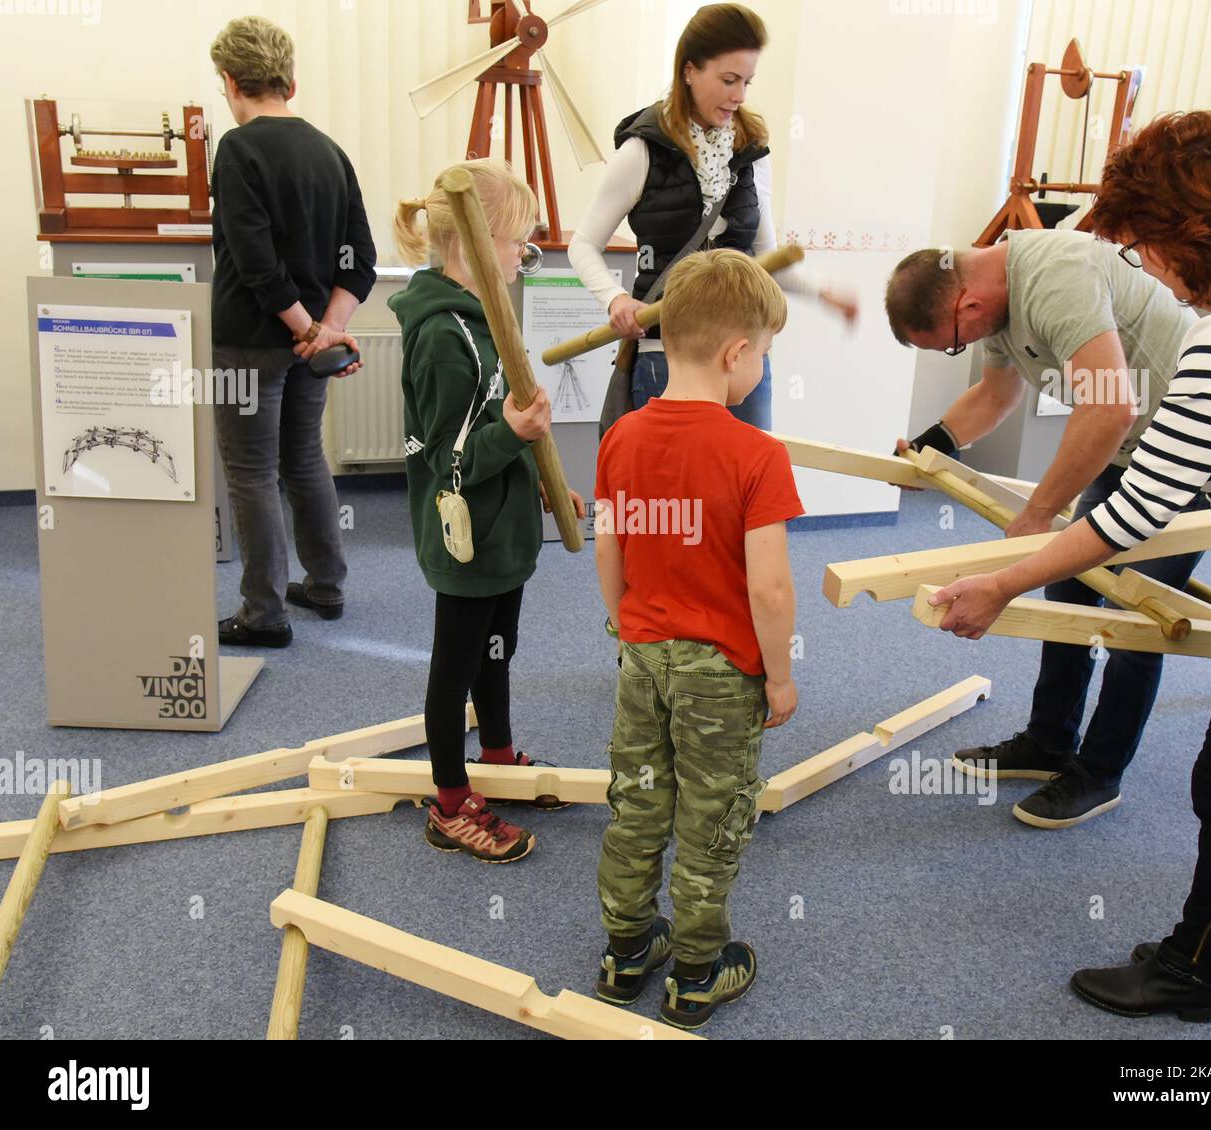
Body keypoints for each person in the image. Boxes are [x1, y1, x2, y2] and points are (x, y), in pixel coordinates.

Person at [930, 112, 1211, 1021]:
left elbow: (1135, 509)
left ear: (1193, 234)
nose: (1153, 272)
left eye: (1152, 248)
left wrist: (1003, 581)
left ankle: (1191, 973)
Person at [885, 225, 1205, 829]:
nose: (963, 348)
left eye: (953, 343)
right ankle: (1049, 741)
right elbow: (993, 396)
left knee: (1138, 613)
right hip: (1125, 448)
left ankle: (1098, 772)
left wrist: (1037, 516)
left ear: (967, 306)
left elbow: (1111, 407)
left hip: (1189, 449)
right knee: (1073, 590)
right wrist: (929, 452)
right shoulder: (992, 300)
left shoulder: (1057, 278)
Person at [592, 249, 803, 1029]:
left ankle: (623, 950)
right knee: (713, 816)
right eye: (765, 356)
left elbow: (609, 549)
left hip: (642, 658)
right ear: (735, 353)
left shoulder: (620, 439)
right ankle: (697, 968)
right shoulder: (757, 453)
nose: (761, 372)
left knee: (638, 804)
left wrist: (626, 625)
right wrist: (778, 677)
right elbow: (770, 588)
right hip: (721, 674)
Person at [391, 159, 584, 864]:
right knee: (456, 666)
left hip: (507, 530)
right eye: (515, 244)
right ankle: (448, 800)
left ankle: (496, 759)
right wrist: (519, 436)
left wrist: (545, 481)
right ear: (472, 243)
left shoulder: (490, 321)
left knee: (498, 653)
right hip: (465, 537)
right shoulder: (444, 338)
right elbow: (449, 464)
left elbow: (506, 419)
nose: (522, 258)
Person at [569, 2, 855, 431]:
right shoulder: (642, 150)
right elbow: (584, 244)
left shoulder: (752, 154)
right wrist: (615, 299)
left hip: (743, 355)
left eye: (747, 82)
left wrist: (823, 292)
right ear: (689, 70)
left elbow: (766, 263)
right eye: (728, 80)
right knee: (669, 490)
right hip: (667, 355)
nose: (739, 95)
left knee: (745, 484)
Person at [210, 15, 375, 648]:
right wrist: (326, 331)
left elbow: (254, 263)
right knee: (304, 458)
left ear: (231, 82)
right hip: (309, 348)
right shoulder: (329, 151)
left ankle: (264, 613)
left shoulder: (238, 148)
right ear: (292, 82)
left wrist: (308, 329)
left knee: (251, 472)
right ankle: (325, 585)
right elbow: (359, 256)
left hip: (249, 341)